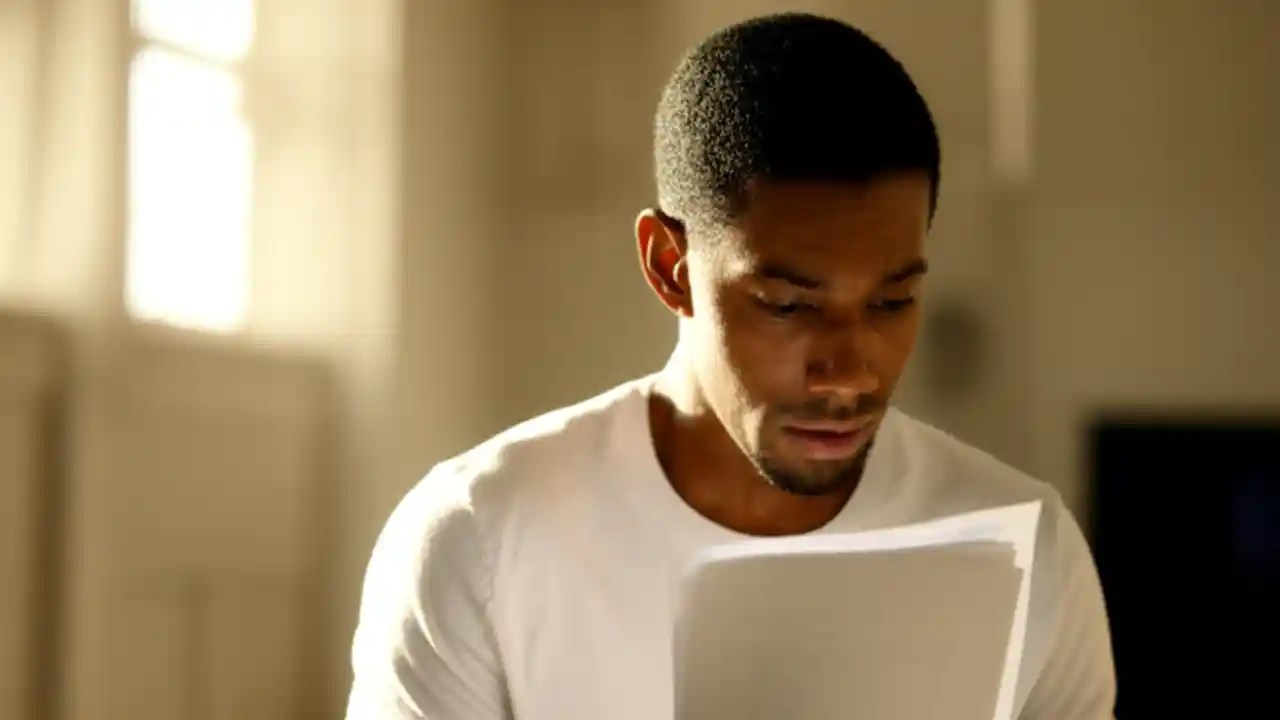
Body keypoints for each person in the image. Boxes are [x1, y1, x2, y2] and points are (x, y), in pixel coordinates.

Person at [344, 12, 1116, 719]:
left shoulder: (1031, 548)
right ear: (669, 265)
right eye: (788, 305)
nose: (849, 374)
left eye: (891, 303)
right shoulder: (481, 538)